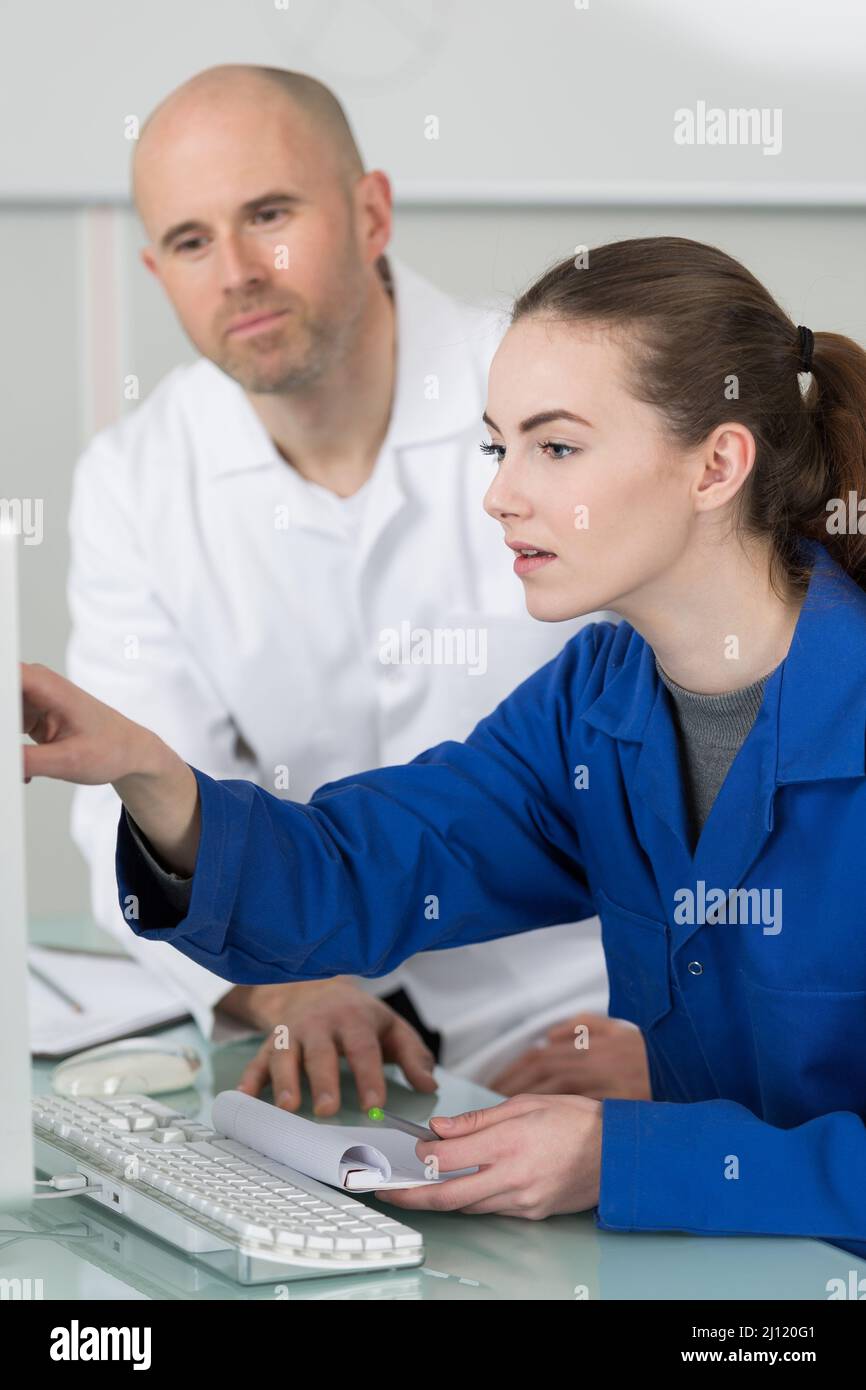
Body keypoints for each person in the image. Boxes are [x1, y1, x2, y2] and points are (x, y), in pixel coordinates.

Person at [24, 234, 866, 1256]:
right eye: (494, 446)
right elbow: (360, 871)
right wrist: (143, 769)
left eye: (554, 448)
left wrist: (627, 1155)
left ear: (714, 464)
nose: (499, 495)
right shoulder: (593, 708)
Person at [66, 63, 647, 1112]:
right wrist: (283, 981)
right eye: (193, 241)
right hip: (336, 1035)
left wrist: (695, 1039)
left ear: (369, 212)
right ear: (158, 271)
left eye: (270, 213)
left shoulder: (547, 390)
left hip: (608, 1014)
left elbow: (737, 737)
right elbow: (140, 788)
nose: (238, 269)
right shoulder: (136, 476)